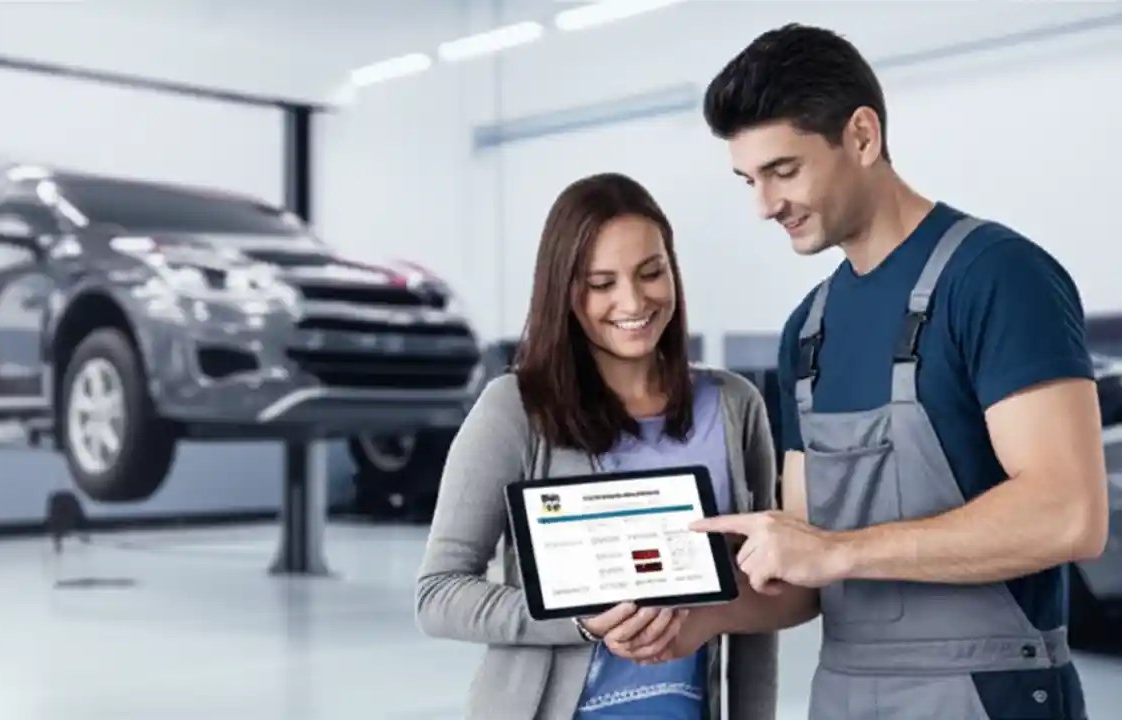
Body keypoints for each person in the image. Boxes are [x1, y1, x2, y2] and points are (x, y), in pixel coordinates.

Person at [625, 22, 1110, 720]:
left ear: (861, 136)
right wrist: (696, 619)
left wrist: (839, 552)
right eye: (750, 180)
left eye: (783, 171)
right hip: (845, 693)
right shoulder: (808, 330)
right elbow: (802, 574)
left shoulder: (999, 277)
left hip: (988, 693)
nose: (764, 205)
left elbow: (1069, 515)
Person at [415, 172, 812, 719]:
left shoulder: (734, 406)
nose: (633, 300)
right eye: (601, 283)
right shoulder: (514, 410)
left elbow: (765, 594)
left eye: (651, 272)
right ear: (564, 293)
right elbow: (439, 593)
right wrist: (578, 622)